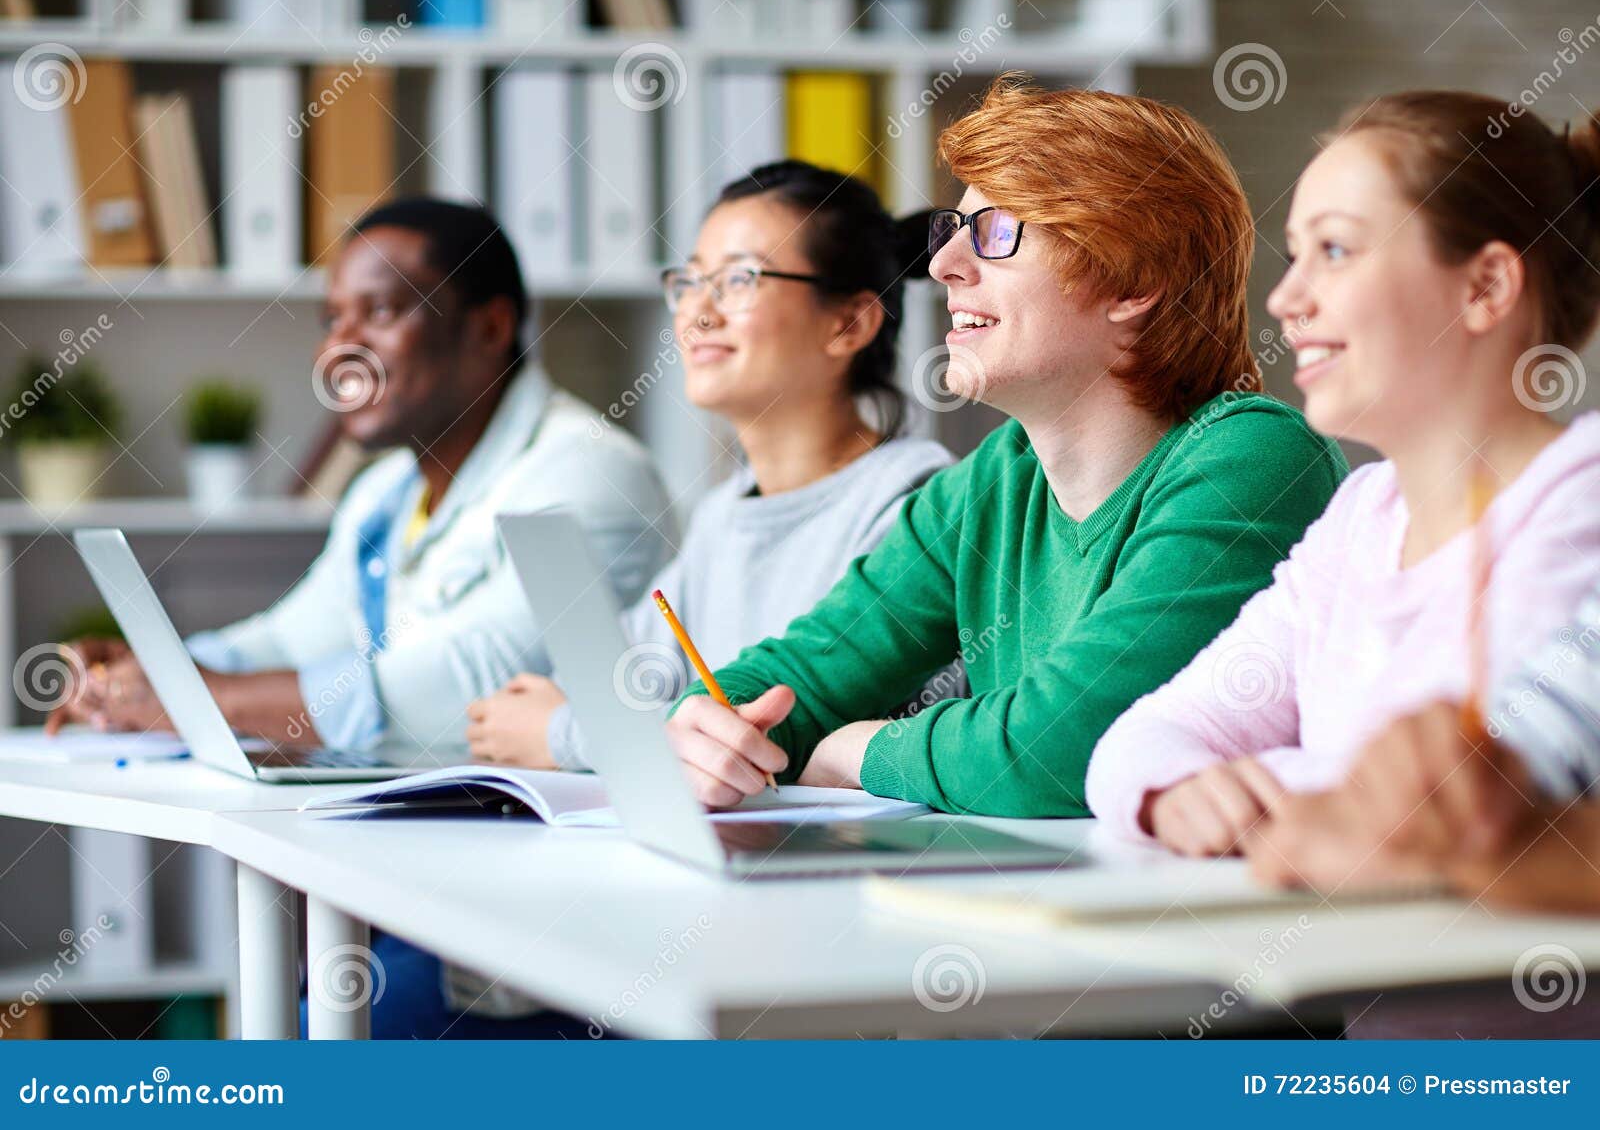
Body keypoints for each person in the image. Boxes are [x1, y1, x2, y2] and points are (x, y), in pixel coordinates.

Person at [658, 75, 1348, 816]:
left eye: (995, 231)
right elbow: (799, 677)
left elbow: (1064, 745)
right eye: (953, 230)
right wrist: (705, 724)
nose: (942, 265)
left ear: (1132, 283)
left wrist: (860, 752)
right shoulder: (996, 479)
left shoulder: (1256, 459)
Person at [1085, 91, 1600, 856]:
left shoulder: (1578, 500)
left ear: (1486, 286)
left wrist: (1242, 789)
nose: (1285, 299)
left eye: (1334, 250)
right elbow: (1141, 737)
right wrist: (1171, 790)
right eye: (1295, 256)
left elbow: (1454, 790)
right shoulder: (1362, 517)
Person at [46, 197, 676, 753]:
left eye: (379, 311)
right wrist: (152, 672)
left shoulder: (589, 470)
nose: (337, 350)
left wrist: (201, 699)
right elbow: (291, 638)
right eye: (331, 321)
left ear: (490, 327)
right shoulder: (385, 494)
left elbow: (468, 685)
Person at [463, 161, 954, 773]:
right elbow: (601, 683)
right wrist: (579, 716)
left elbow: (784, 740)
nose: (698, 312)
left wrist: (567, 735)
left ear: (849, 323)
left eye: (739, 279)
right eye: (689, 281)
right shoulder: (723, 515)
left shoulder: (917, 504)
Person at [1245, 580, 1600, 914]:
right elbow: (1540, 753)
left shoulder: (1551, 524)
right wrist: (1412, 798)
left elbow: (1477, 823)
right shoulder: (1352, 529)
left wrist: (1489, 846)